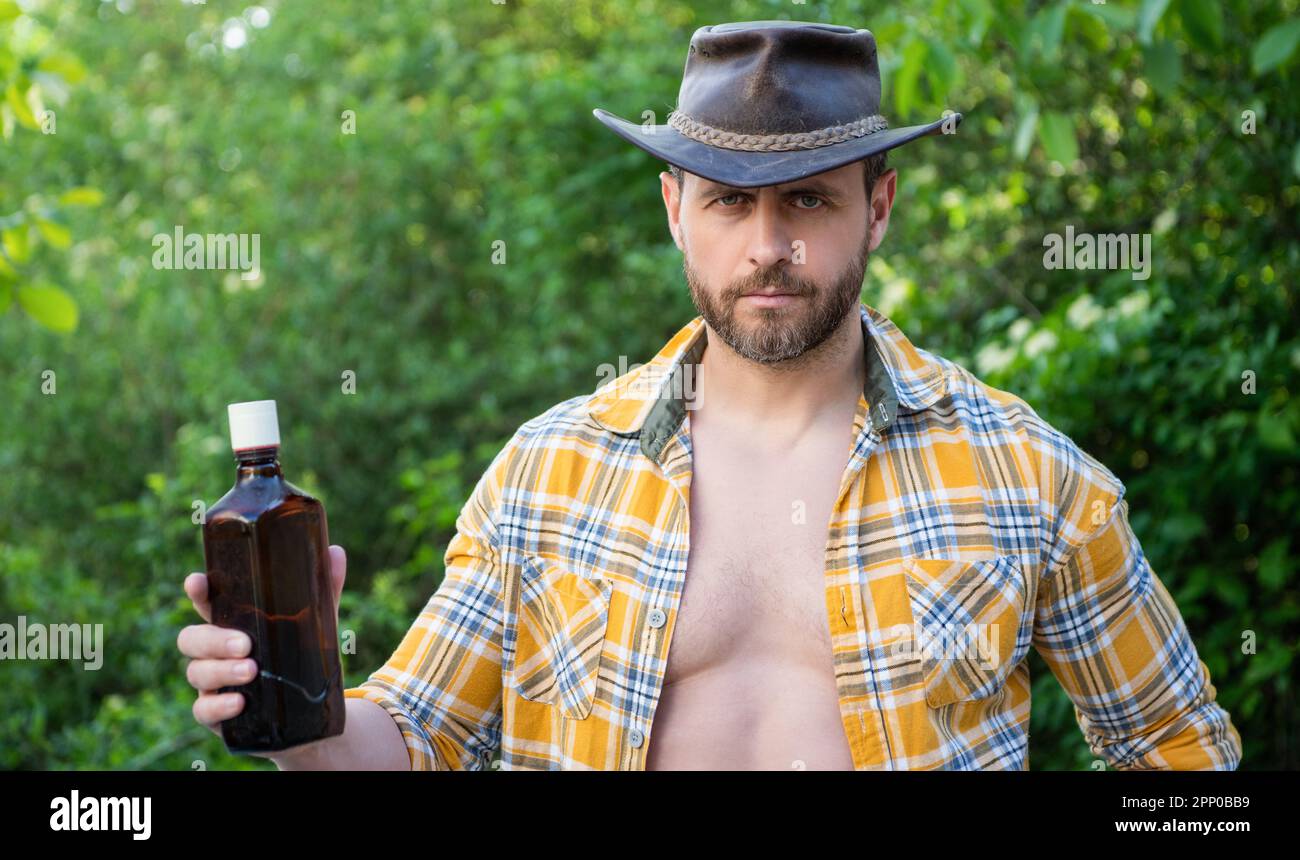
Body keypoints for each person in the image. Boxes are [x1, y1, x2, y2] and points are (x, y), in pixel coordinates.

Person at [178, 20, 1241, 770]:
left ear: (878, 207)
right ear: (674, 210)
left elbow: (1180, 748)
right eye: (730, 201)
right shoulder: (550, 472)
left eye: (809, 202)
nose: (768, 247)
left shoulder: (1028, 474)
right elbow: (414, 737)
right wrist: (310, 724)